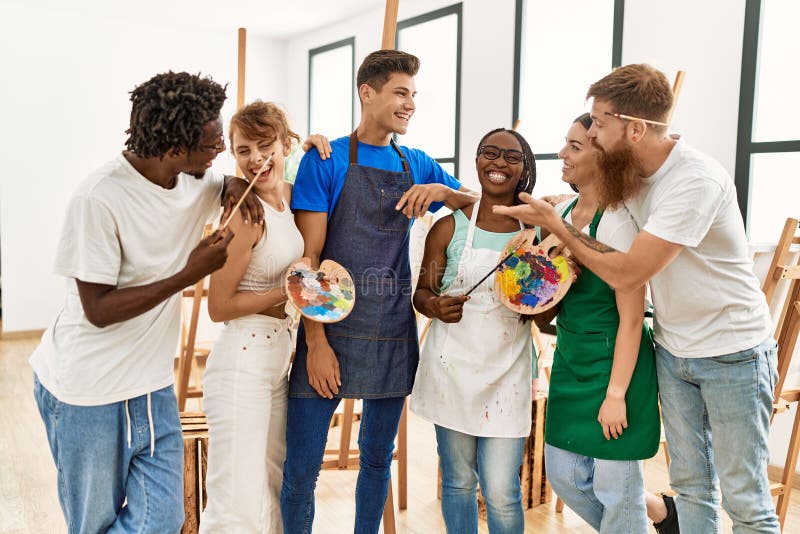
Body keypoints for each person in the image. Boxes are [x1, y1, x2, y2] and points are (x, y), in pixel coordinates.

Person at [495, 64, 779, 533]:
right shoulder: (632, 178)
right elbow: (585, 214)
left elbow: (629, 272)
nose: (594, 136)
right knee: (691, 489)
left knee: (745, 499)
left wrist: (558, 226)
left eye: (600, 126)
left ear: (635, 128)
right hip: (674, 348)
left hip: (733, 353)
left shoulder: (694, 181)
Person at [29, 71, 262, 533]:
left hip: (151, 385)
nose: (220, 150)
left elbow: (216, 183)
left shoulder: (192, 177)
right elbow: (97, 310)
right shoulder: (98, 199)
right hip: (86, 392)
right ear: (174, 149)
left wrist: (232, 186)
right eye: (213, 142)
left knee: (163, 519)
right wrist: (187, 274)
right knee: (92, 525)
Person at [281, 49, 478, 533]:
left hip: (391, 328)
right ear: (367, 93)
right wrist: (316, 343)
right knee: (301, 471)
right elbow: (309, 262)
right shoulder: (324, 162)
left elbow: (478, 210)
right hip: (329, 329)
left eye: (414, 94)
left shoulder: (417, 162)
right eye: (400, 92)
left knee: (376, 461)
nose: (410, 103)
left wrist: (444, 194)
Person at [200, 101, 330, 533]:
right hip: (242, 362)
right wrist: (290, 289)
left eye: (265, 145)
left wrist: (313, 147)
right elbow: (218, 306)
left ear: (284, 143)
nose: (256, 158)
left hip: (278, 362)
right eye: (243, 150)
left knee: (272, 489)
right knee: (235, 502)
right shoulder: (244, 216)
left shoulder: (292, 197)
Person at [543, 113, 677, 534]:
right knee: (564, 475)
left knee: (617, 491)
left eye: (575, 147)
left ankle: (637, 519)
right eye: (565, 144)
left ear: (603, 158)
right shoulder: (562, 211)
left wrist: (616, 394)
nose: (563, 154)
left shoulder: (619, 221)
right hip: (571, 358)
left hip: (615, 364)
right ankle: (656, 512)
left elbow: (633, 318)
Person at [409, 127, 536, 533]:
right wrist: (434, 306)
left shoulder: (534, 232)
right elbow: (422, 293)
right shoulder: (449, 227)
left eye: (511, 157)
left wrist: (539, 301)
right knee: (459, 482)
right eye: (490, 153)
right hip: (452, 371)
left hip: (507, 374)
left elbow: (547, 313)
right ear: (477, 159)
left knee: (501, 490)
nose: (499, 163)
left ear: (525, 168)